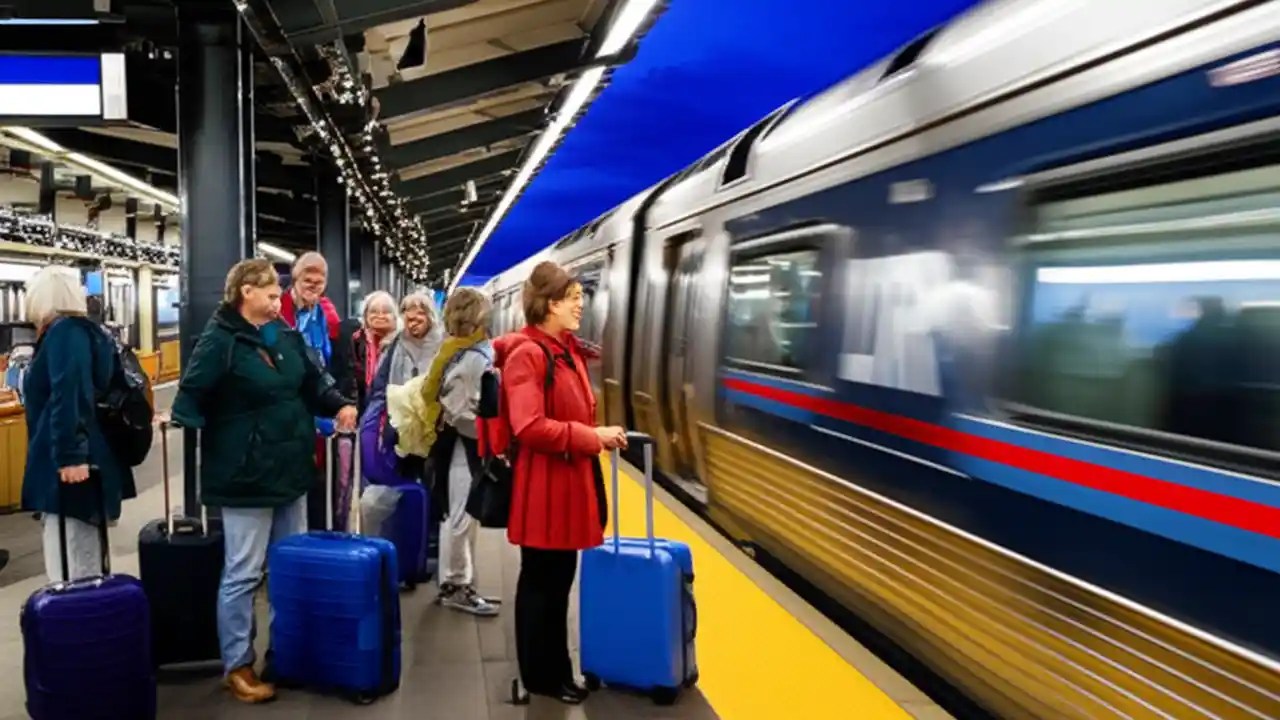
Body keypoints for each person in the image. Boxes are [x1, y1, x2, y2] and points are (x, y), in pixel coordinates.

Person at [170, 258, 357, 704]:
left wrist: (339, 404)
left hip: (290, 469)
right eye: (271, 295)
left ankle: (287, 652)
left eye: (278, 295)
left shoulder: (281, 334)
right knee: (244, 572)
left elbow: (312, 380)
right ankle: (237, 664)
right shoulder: (219, 341)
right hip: (245, 477)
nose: (278, 302)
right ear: (245, 292)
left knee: (289, 568)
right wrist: (185, 420)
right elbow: (190, 398)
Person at [500, 261, 627, 705]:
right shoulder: (529, 355)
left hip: (567, 480)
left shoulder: (564, 351)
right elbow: (529, 426)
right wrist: (592, 436)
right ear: (549, 304)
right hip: (544, 486)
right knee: (543, 581)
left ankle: (556, 670)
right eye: (573, 298)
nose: (580, 305)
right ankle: (542, 677)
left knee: (557, 580)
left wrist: (594, 435)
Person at [21, 266, 137, 583]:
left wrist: (71, 455)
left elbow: (70, 391)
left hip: (74, 465)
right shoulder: (87, 333)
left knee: (72, 564)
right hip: (89, 453)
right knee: (81, 557)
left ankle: (77, 612)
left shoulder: (65, 333)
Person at [424, 288, 498, 616]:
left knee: (459, 514)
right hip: (464, 446)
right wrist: (494, 433)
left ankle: (458, 581)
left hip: (455, 445)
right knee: (461, 516)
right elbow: (462, 412)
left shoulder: (453, 350)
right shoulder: (473, 359)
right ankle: (456, 585)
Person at [360, 292, 443, 487]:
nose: (413, 324)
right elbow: (380, 388)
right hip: (401, 428)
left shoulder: (443, 344)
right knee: (403, 482)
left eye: (419, 317)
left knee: (432, 482)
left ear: (429, 316)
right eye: (409, 318)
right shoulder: (396, 344)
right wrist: (369, 426)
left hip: (434, 427)